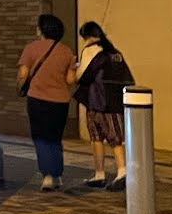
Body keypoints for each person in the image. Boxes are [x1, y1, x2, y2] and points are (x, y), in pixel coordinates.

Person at [17, 13, 77, 191]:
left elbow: (23, 73)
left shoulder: (31, 48)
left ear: (41, 30)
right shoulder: (66, 51)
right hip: (60, 101)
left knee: (41, 137)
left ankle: (47, 175)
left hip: (37, 99)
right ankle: (57, 174)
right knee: (55, 138)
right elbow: (70, 80)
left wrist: (21, 86)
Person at [75, 21, 134, 191]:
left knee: (97, 137)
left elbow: (82, 75)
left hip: (97, 100)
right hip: (115, 100)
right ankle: (121, 170)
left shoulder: (91, 50)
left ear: (86, 36)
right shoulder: (115, 53)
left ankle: (102, 173)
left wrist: (76, 69)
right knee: (115, 136)